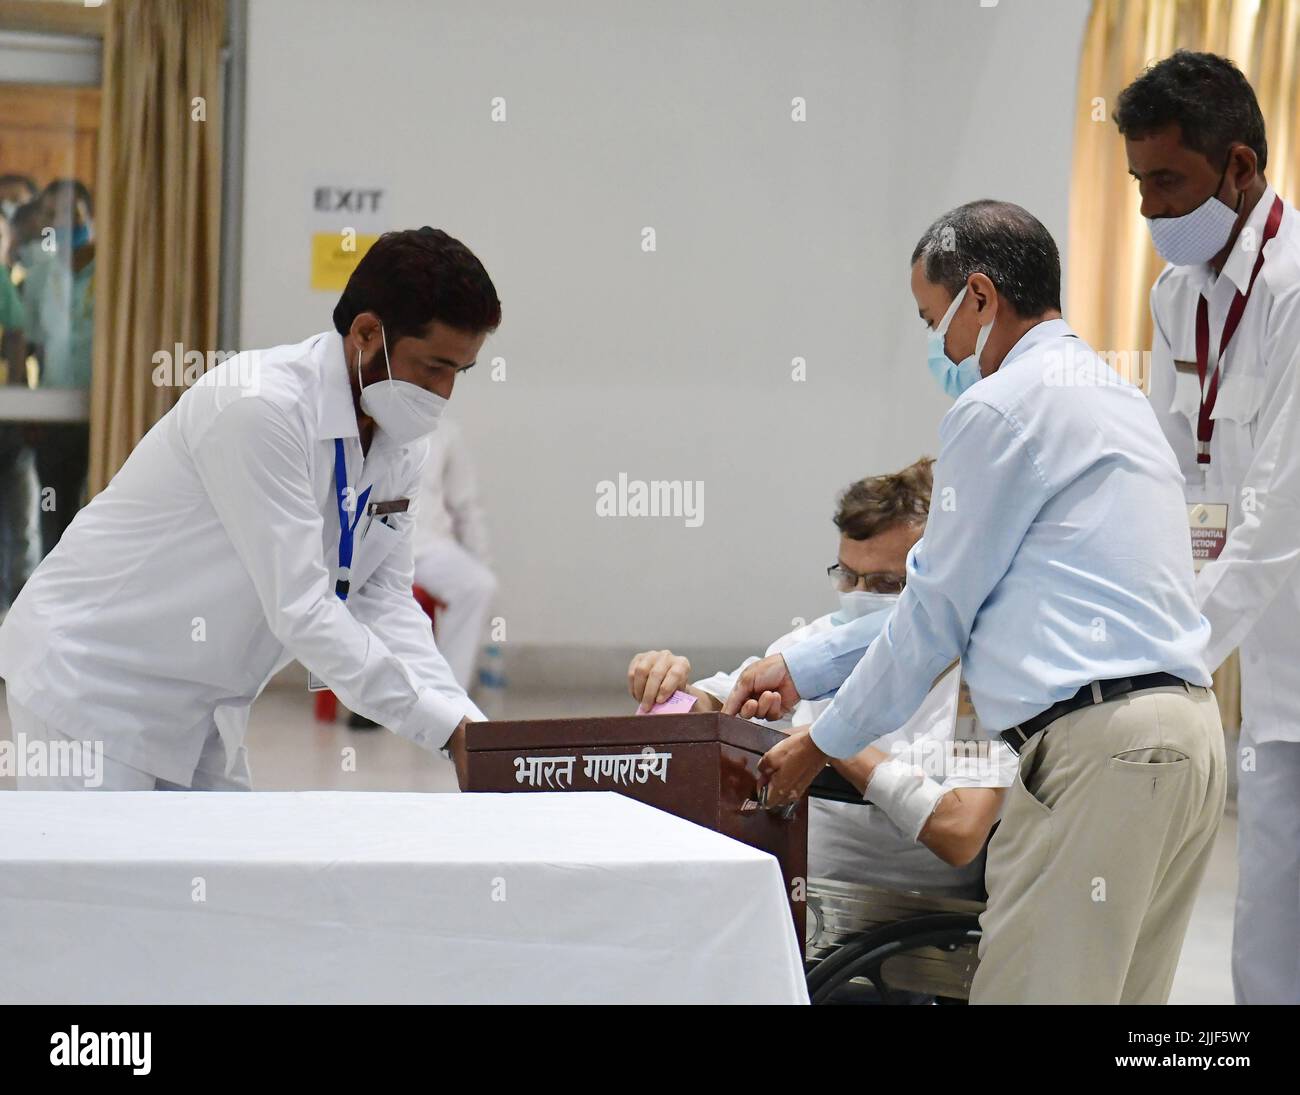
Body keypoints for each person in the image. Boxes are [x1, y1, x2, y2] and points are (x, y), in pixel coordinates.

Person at [724, 200, 1226, 1004]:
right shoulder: (1115, 398)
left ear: (982, 298)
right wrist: (800, 661)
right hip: (1187, 739)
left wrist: (825, 736)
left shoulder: (995, 408)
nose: (942, 348)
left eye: (936, 321)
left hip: (1094, 751)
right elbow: (960, 598)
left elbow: (934, 615)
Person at [0, 227, 499, 790]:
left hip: (205, 703)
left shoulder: (401, 439)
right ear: (366, 333)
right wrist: (444, 731)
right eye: (434, 367)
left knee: (220, 875)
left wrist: (471, 731)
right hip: (93, 680)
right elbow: (303, 609)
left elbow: (384, 602)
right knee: (100, 877)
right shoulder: (261, 408)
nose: (445, 393)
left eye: (460, 371)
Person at [1117, 50, 1300, 1004]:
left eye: (1169, 181)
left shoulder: (1298, 290)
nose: (1149, 209)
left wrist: (1175, 648)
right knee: (1268, 932)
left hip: (1268, 619)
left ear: (1240, 167)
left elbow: (1278, 515)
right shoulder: (1175, 295)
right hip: (1270, 670)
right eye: (1139, 181)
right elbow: (1167, 474)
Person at [628, 458, 1015, 898]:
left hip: (908, 925)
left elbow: (961, 831)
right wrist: (670, 689)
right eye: (848, 576)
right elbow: (714, 705)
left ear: (938, 580)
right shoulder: (816, 645)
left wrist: (830, 743)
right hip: (786, 899)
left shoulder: (976, 686)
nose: (861, 599)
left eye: (887, 584)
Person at [25, 178, 96, 552]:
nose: (63, 223)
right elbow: (31, 347)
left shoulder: (116, 275)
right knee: (55, 513)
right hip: (53, 416)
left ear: (92, 215)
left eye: (72, 212)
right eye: (52, 215)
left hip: (103, 413)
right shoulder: (39, 277)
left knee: (100, 507)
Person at [411, 416, 496, 690]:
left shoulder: (444, 431)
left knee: (478, 585)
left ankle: (447, 696)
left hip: (425, 546)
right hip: (367, 544)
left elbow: (466, 505)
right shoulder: (367, 418)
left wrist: (481, 561)